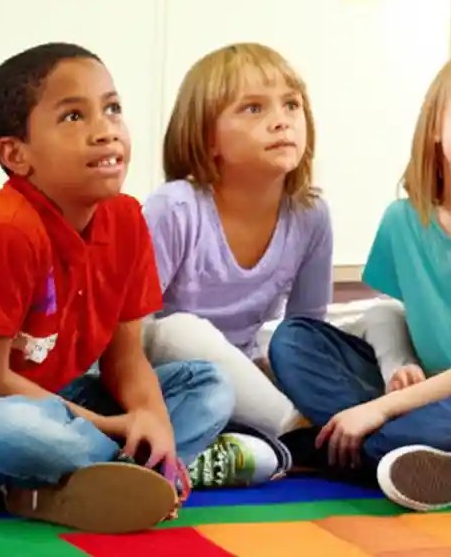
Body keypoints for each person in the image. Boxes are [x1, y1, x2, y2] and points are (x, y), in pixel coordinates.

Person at [0, 42, 233, 534]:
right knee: (29, 435)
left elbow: (125, 359)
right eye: (73, 117)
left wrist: (151, 417)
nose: (105, 129)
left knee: (210, 387)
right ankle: (130, 473)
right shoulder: (5, 231)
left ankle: (101, 480)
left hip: (55, 394)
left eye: (112, 108)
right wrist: (111, 426)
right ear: (16, 154)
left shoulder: (127, 219)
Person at [268, 46, 451, 510]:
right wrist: (395, 370)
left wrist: (380, 409)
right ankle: (427, 458)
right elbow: (394, 315)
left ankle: (337, 451)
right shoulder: (402, 221)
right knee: (293, 340)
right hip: (434, 400)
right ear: (434, 127)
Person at [141, 43, 331, 487]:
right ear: (208, 138)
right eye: (252, 108)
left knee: (262, 460)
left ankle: (252, 446)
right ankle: (302, 437)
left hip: (245, 380)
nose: (281, 119)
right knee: (179, 329)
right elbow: (132, 330)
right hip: (172, 378)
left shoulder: (311, 214)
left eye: (291, 104)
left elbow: (305, 331)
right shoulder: (176, 207)